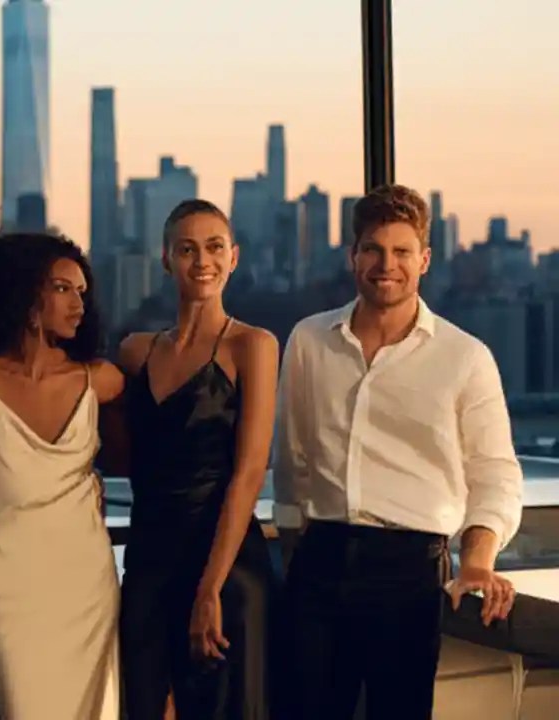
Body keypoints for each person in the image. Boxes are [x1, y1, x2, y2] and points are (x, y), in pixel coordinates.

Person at [273, 184, 524, 719]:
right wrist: (295, 545)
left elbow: (496, 473)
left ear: (425, 259)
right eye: (373, 249)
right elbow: (291, 455)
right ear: (353, 256)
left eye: (402, 251)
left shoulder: (464, 357)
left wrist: (478, 560)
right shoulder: (309, 341)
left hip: (409, 570)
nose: (386, 264)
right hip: (320, 561)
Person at [111, 200, 279, 719]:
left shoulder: (253, 345)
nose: (200, 260)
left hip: (225, 569)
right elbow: (115, 454)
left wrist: (210, 590)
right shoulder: (135, 352)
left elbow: (249, 474)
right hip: (146, 566)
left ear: (233, 258)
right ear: (166, 259)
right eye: (186, 249)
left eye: (213, 248)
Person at [0, 232, 125, 719]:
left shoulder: (101, 381)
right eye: (63, 289)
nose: (78, 304)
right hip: (8, 583)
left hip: (84, 581)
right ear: (26, 295)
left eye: (82, 293)